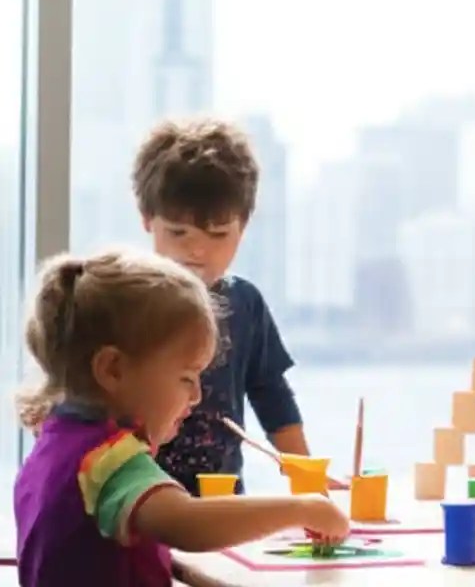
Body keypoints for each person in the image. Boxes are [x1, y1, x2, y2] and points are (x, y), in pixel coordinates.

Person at [13, 249, 348, 587]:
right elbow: (186, 522)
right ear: (113, 369)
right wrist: (303, 508)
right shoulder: (108, 464)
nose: (197, 396)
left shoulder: (56, 442)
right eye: (186, 377)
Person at [131, 117, 324, 495]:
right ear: (147, 220)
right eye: (178, 232)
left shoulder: (244, 304)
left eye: (218, 234)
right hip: (139, 502)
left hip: (223, 504)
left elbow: (272, 395)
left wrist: (309, 486)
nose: (197, 250)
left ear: (244, 227)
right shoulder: (126, 302)